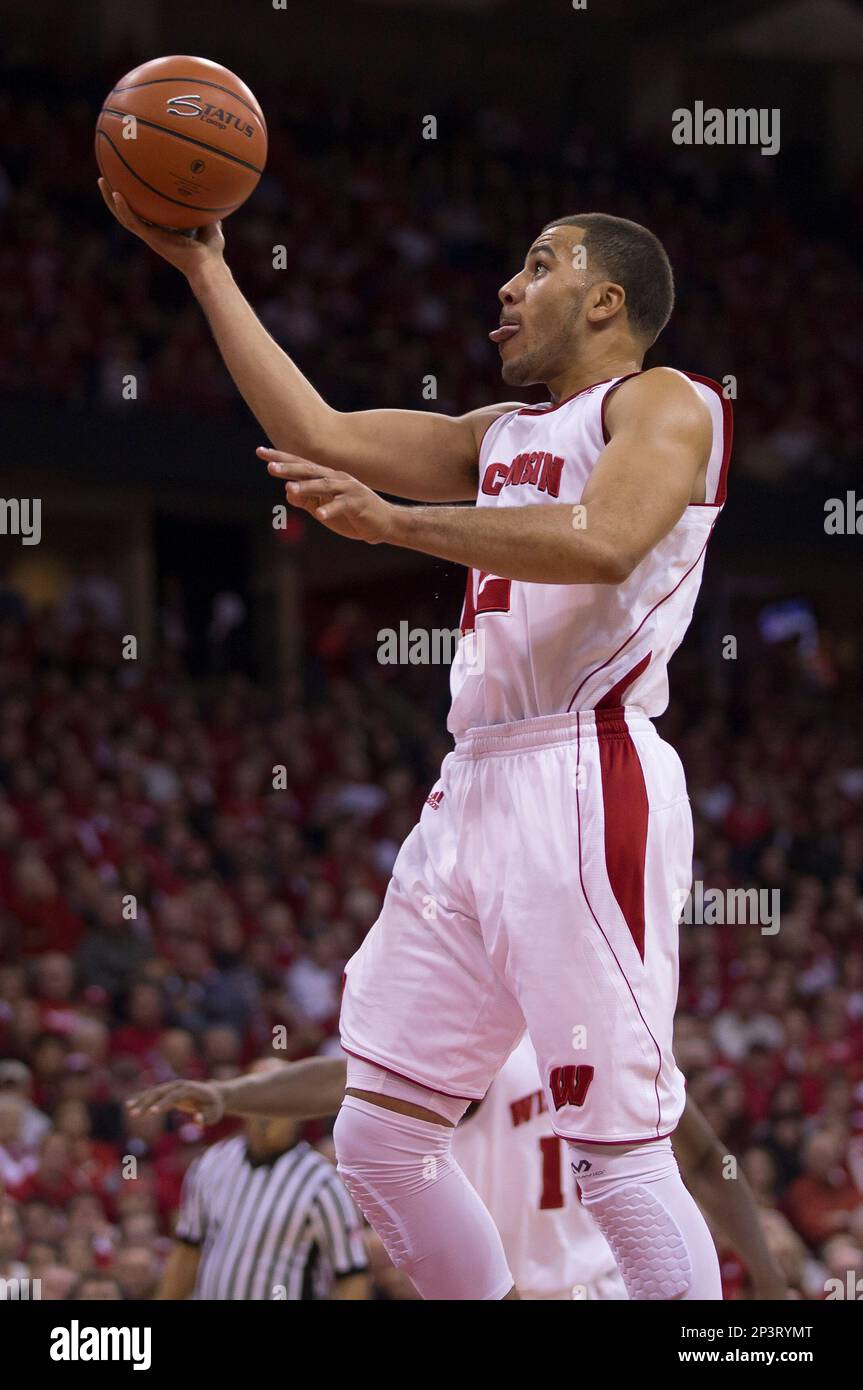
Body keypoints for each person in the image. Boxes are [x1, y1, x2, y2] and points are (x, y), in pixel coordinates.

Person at [101, 184, 731, 1300]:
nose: (507, 284)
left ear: (606, 300)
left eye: (540, 264)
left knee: (615, 1158)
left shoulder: (664, 403)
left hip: (585, 767)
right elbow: (321, 434)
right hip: (470, 786)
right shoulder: (495, 436)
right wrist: (206, 268)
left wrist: (394, 524)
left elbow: (607, 538)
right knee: (380, 1137)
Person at [130, 1045, 786, 1301]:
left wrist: (233, 1092)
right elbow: (706, 1159)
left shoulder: (485, 1047)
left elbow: (348, 1080)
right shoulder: (616, 1035)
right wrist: (768, 1282)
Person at [156, 1059, 369, 1301]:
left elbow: (352, 1275)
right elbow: (187, 1251)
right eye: (258, 1093)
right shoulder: (211, 1163)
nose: (266, 1106)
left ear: (299, 1105)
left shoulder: (322, 1182)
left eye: (277, 1094)